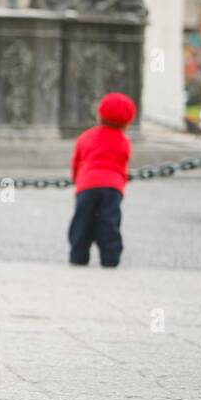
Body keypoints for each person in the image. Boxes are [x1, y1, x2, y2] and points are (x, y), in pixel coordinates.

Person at [68, 91, 135, 268]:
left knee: (82, 220)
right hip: (112, 187)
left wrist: (76, 180)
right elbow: (122, 165)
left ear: (99, 115)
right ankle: (110, 258)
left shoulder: (86, 136)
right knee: (109, 221)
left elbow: (77, 161)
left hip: (87, 185)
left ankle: (78, 255)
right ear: (128, 121)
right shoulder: (123, 141)